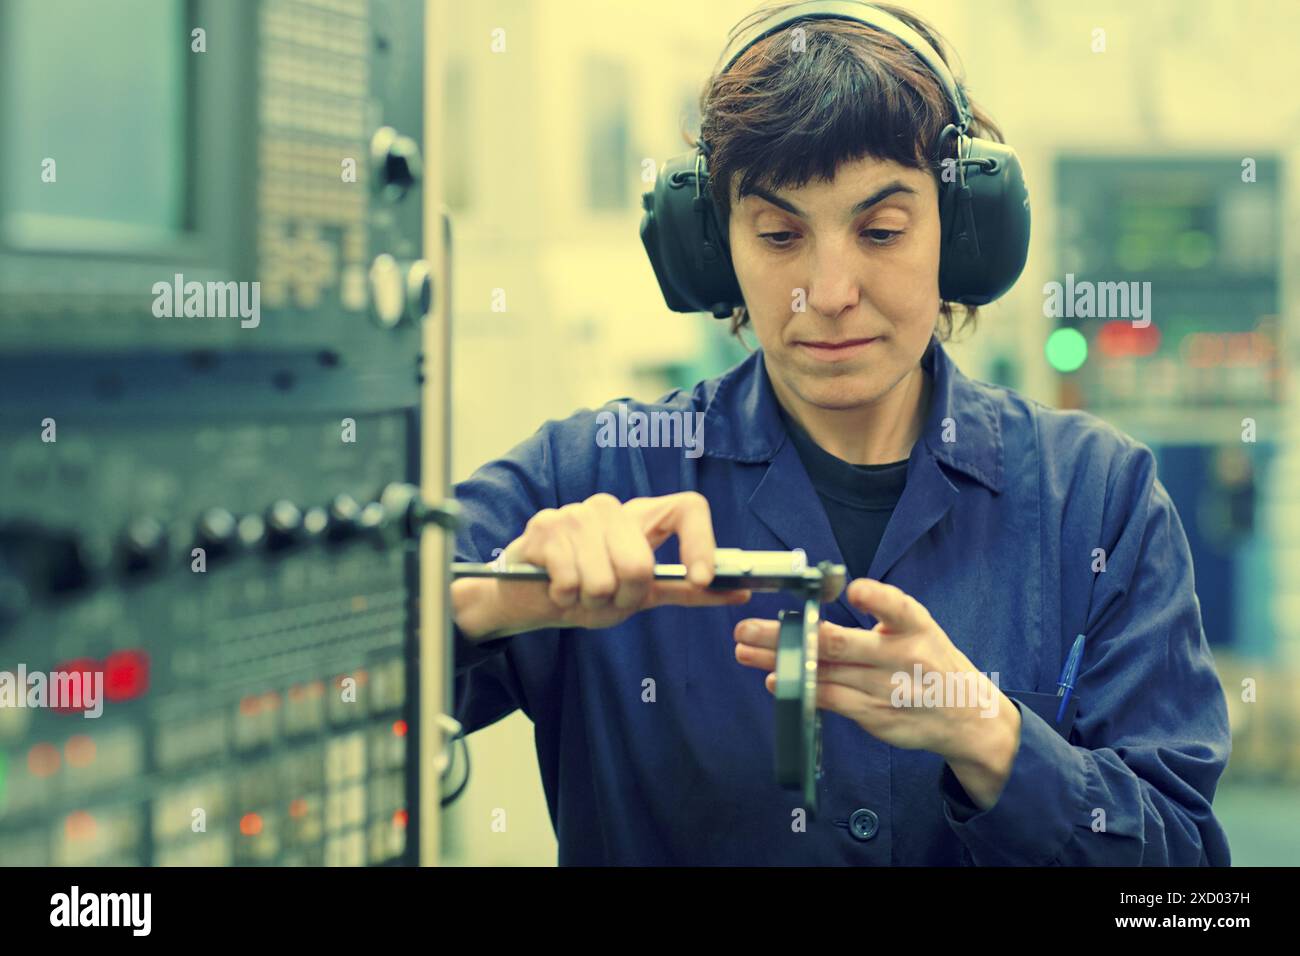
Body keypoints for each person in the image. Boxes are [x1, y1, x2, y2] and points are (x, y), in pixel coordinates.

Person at [447, 0, 1232, 865]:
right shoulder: (594, 472)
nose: (826, 291)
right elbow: (321, 666)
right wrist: (489, 604)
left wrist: (990, 736)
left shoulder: (1095, 500)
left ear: (962, 233)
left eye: (882, 231)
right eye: (780, 234)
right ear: (713, 249)